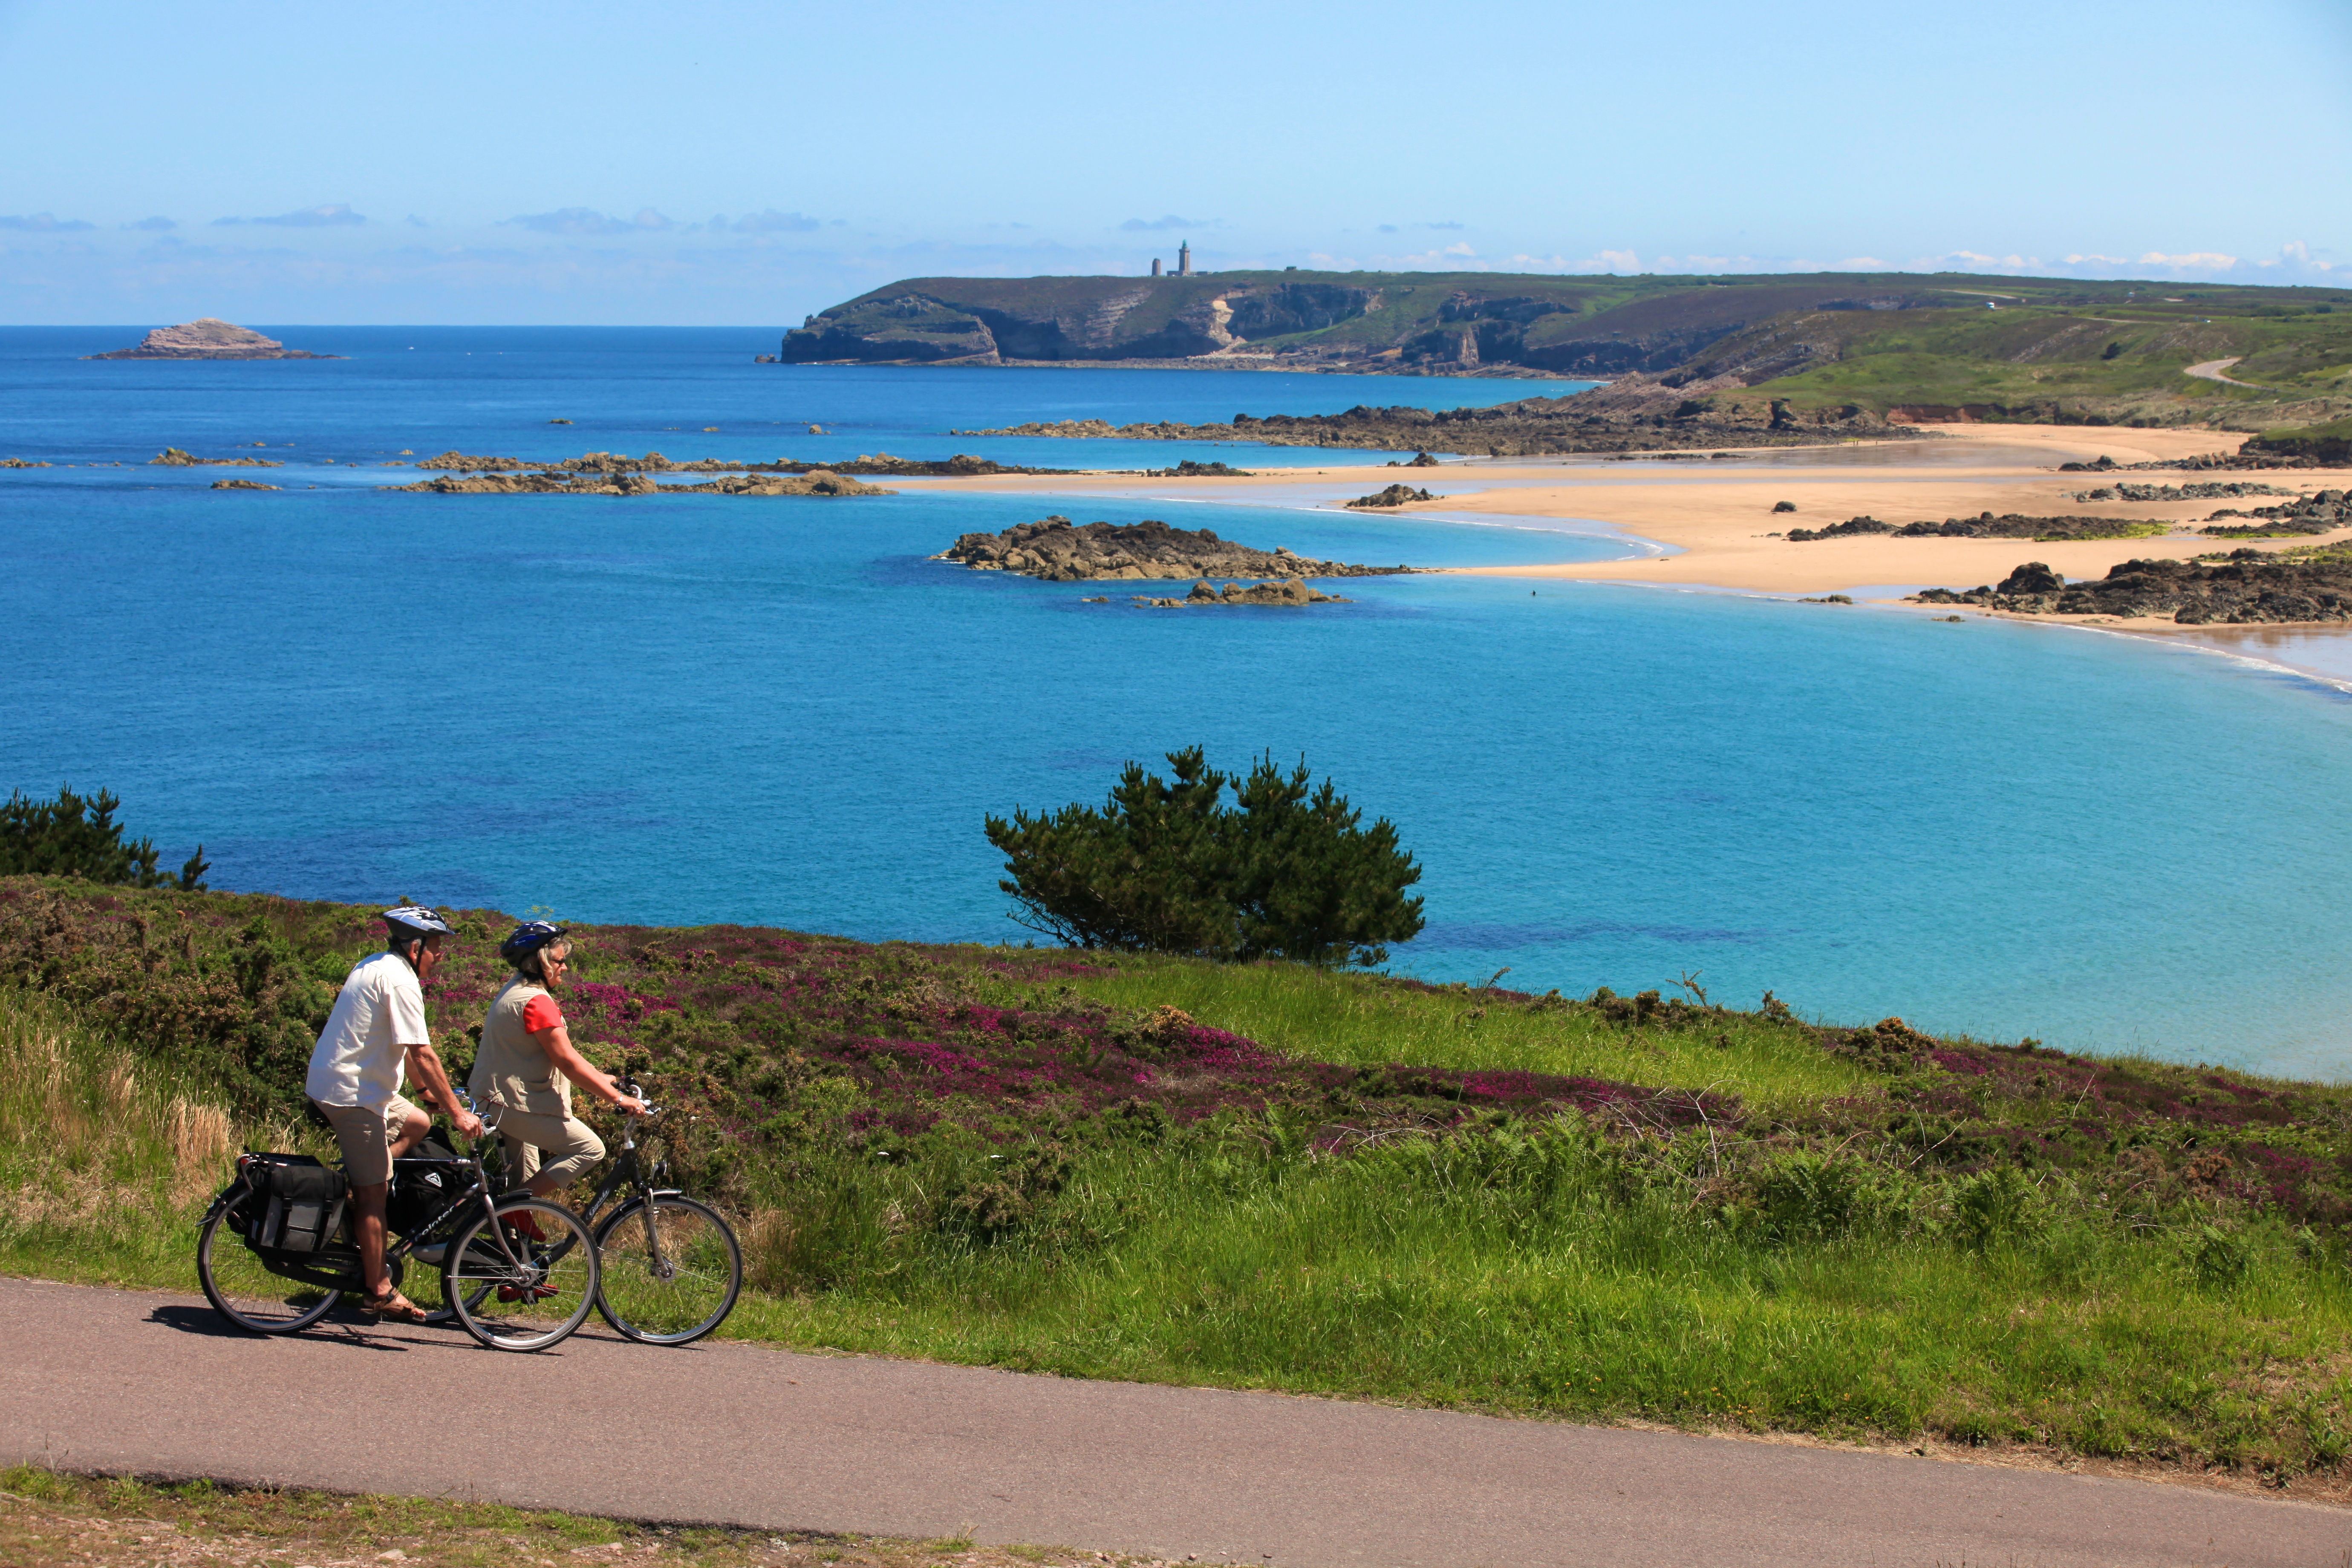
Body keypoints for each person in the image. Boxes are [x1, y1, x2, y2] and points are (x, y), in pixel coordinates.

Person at [304, 905, 484, 1323]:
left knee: (419, 1123)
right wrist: (458, 1114)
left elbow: (402, 1042)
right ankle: (379, 1288)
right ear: (415, 945)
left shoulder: (375, 965)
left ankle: (363, 1192)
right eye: (437, 946)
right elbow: (423, 1051)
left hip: (350, 1084)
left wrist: (425, 1094)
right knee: (375, 1194)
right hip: (352, 1095)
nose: (441, 955)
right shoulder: (401, 980)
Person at [470, 922, 646, 1219]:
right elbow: (566, 1061)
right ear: (539, 962)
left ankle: (509, 1242)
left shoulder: (516, 989)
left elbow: (549, 1056)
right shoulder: (537, 1002)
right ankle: (500, 1213)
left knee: (524, 1184)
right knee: (590, 1149)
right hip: (512, 1105)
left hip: (495, 1099)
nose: (564, 968)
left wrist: (599, 1079)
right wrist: (618, 1098)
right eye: (559, 961)